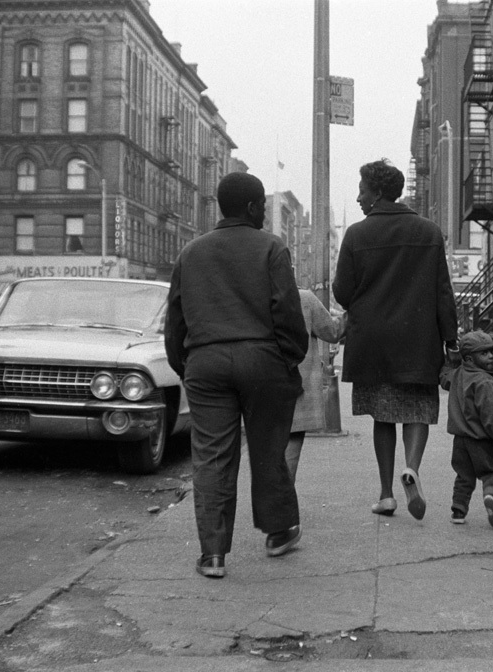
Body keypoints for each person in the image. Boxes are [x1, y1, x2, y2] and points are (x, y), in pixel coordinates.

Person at [165, 171, 309, 579]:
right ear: (250, 207)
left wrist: (187, 365)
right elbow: (287, 313)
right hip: (263, 360)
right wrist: (288, 359)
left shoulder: (191, 252)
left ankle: (213, 555)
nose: (264, 211)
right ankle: (278, 533)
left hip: (205, 362)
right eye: (261, 205)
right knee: (268, 449)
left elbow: (174, 321)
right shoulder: (271, 247)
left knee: (211, 457)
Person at [333, 159, 458, 520]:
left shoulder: (356, 235)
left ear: (377, 192)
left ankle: (387, 495)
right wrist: (451, 341)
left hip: (372, 343)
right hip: (419, 341)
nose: (359, 197)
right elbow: (443, 293)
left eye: (362, 190)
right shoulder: (429, 232)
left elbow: (342, 292)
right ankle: (412, 469)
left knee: (382, 415)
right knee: (416, 409)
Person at [439, 330, 493, 528]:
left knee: (464, 477)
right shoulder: (485, 381)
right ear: (470, 358)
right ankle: (491, 495)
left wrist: (451, 360)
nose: (491, 356)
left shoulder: (456, 375)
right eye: (484, 353)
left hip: (460, 441)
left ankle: (458, 511)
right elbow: (490, 415)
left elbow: (444, 377)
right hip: (482, 440)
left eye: (491, 351)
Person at [285, 288, 346, 482]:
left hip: (261, 390)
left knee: (263, 453)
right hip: (297, 388)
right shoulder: (304, 299)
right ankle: (283, 496)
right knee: (290, 450)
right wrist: (353, 312)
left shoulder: (255, 297)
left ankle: (266, 497)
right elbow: (333, 331)